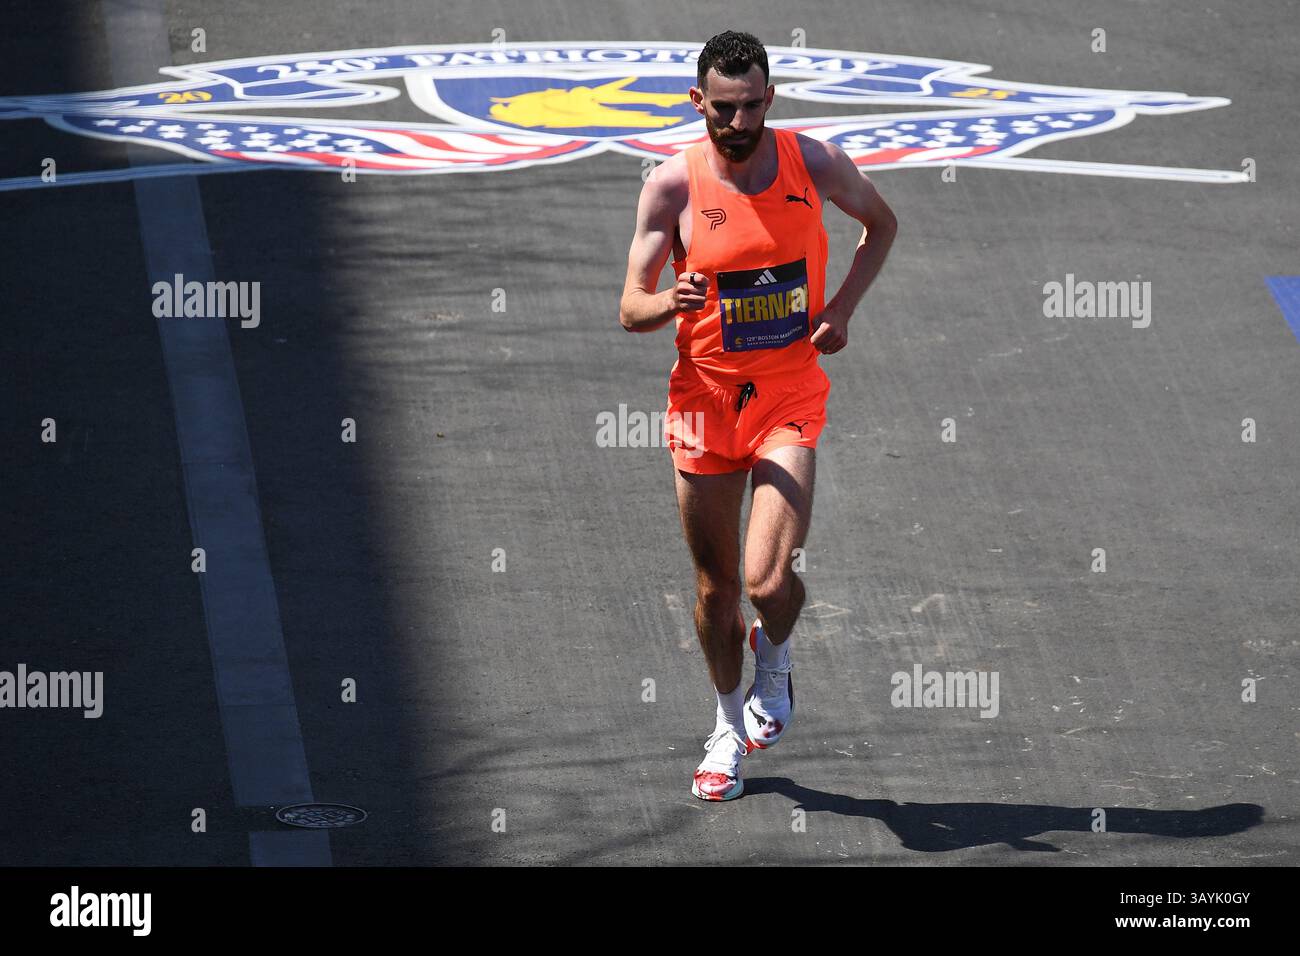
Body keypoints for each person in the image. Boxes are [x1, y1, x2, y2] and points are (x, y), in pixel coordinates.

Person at [619, 30, 897, 800]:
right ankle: (723, 726)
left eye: (750, 108)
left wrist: (840, 308)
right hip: (705, 402)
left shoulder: (816, 164)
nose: (736, 124)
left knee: (768, 582)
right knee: (716, 589)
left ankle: (775, 661)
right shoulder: (672, 188)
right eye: (721, 109)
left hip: (787, 396)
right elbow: (629, 306)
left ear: (768, 100)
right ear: (696, 101)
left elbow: (883, 225)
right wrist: (662, 303)